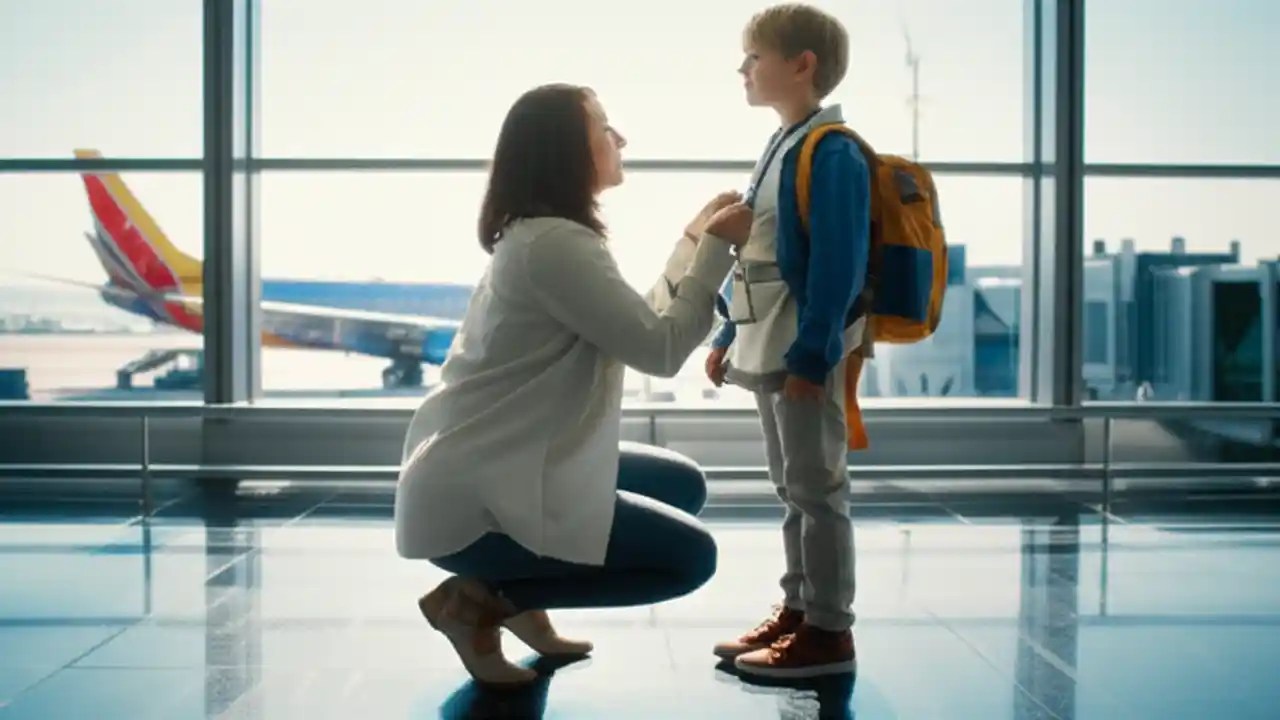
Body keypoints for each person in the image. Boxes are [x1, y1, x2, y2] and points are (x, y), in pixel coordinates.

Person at [394, 83, 754, 686]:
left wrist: (693, 244)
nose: (620, 138)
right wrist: (715, 250)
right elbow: (660, 350)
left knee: (680, 484)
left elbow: (635, 322)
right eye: (604, 126)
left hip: (484, 466)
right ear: (568, 149)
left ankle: (518, 594)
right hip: (474, 502)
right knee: (691, 559)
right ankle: (484, 603)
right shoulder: (556, 245)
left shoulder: (544, 235)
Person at [706, 4, 870, 678]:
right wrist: (724, 332)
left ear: (801, 65)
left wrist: (812, 356)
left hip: (801, 350)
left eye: (754, 56)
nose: (742, 68)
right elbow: (759, 255)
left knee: (817, 488)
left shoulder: (832, 153)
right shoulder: (783, 146)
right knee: (793, 487)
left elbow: (838, 267)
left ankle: (829, 633)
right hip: (769, 343)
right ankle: (801, 611)